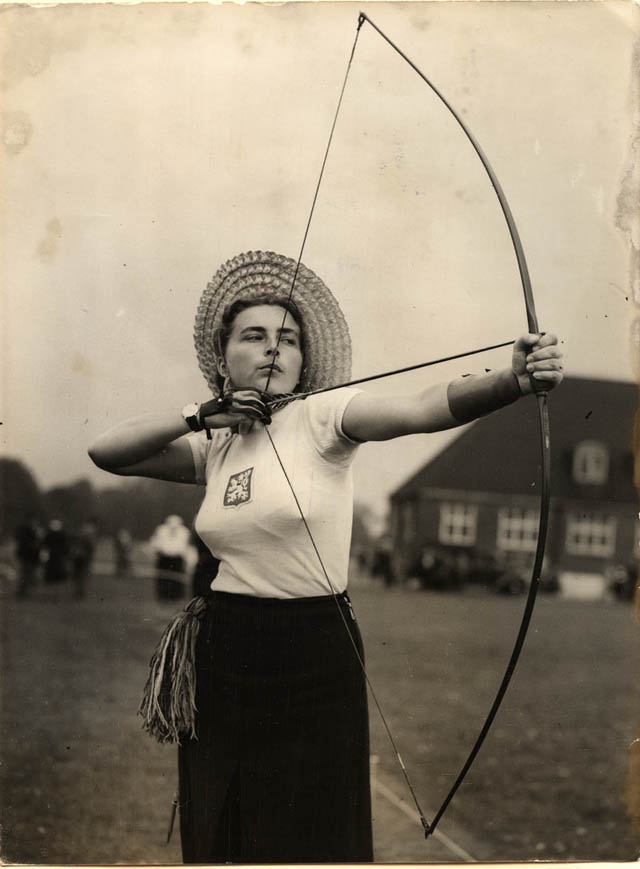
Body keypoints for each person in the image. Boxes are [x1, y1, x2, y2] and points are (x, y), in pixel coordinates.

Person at [88, 250, 564, 863]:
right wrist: (199, 415)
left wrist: (514, 381)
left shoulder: (324, 417)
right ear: (222, 355)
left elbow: (420, 408)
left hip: (314, 647)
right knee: (222, 821)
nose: (272, 350)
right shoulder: (215, 446)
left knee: (311, 830)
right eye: (253, 336)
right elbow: (107, 452)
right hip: (223, 646)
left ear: (304, 359)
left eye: (287, 339)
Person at [149, 515, 192, 601]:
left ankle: (176, 596)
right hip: (164, 558)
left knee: (176, 579)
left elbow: (185, 546)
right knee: (164, 578)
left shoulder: (184, 532)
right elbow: (155, 543)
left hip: (177, 559)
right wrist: (158, 551)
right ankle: (163, 596)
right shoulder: (161, 530)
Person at [13, 513, 42, 599]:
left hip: (30, 555)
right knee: (25, 574)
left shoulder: (33, 529)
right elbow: (26, 542)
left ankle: (24, 592)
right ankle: (22, 592)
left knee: (27, 574)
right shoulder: (25, 529)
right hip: (26, 555)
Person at [70, 518, 98, 599]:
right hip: (83, 558)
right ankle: (80, 591)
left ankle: (79, 591)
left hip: (80, 557)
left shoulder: (80, 535)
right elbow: (91, 548)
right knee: (81, 575)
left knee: (79, 575)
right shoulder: (88, 536)